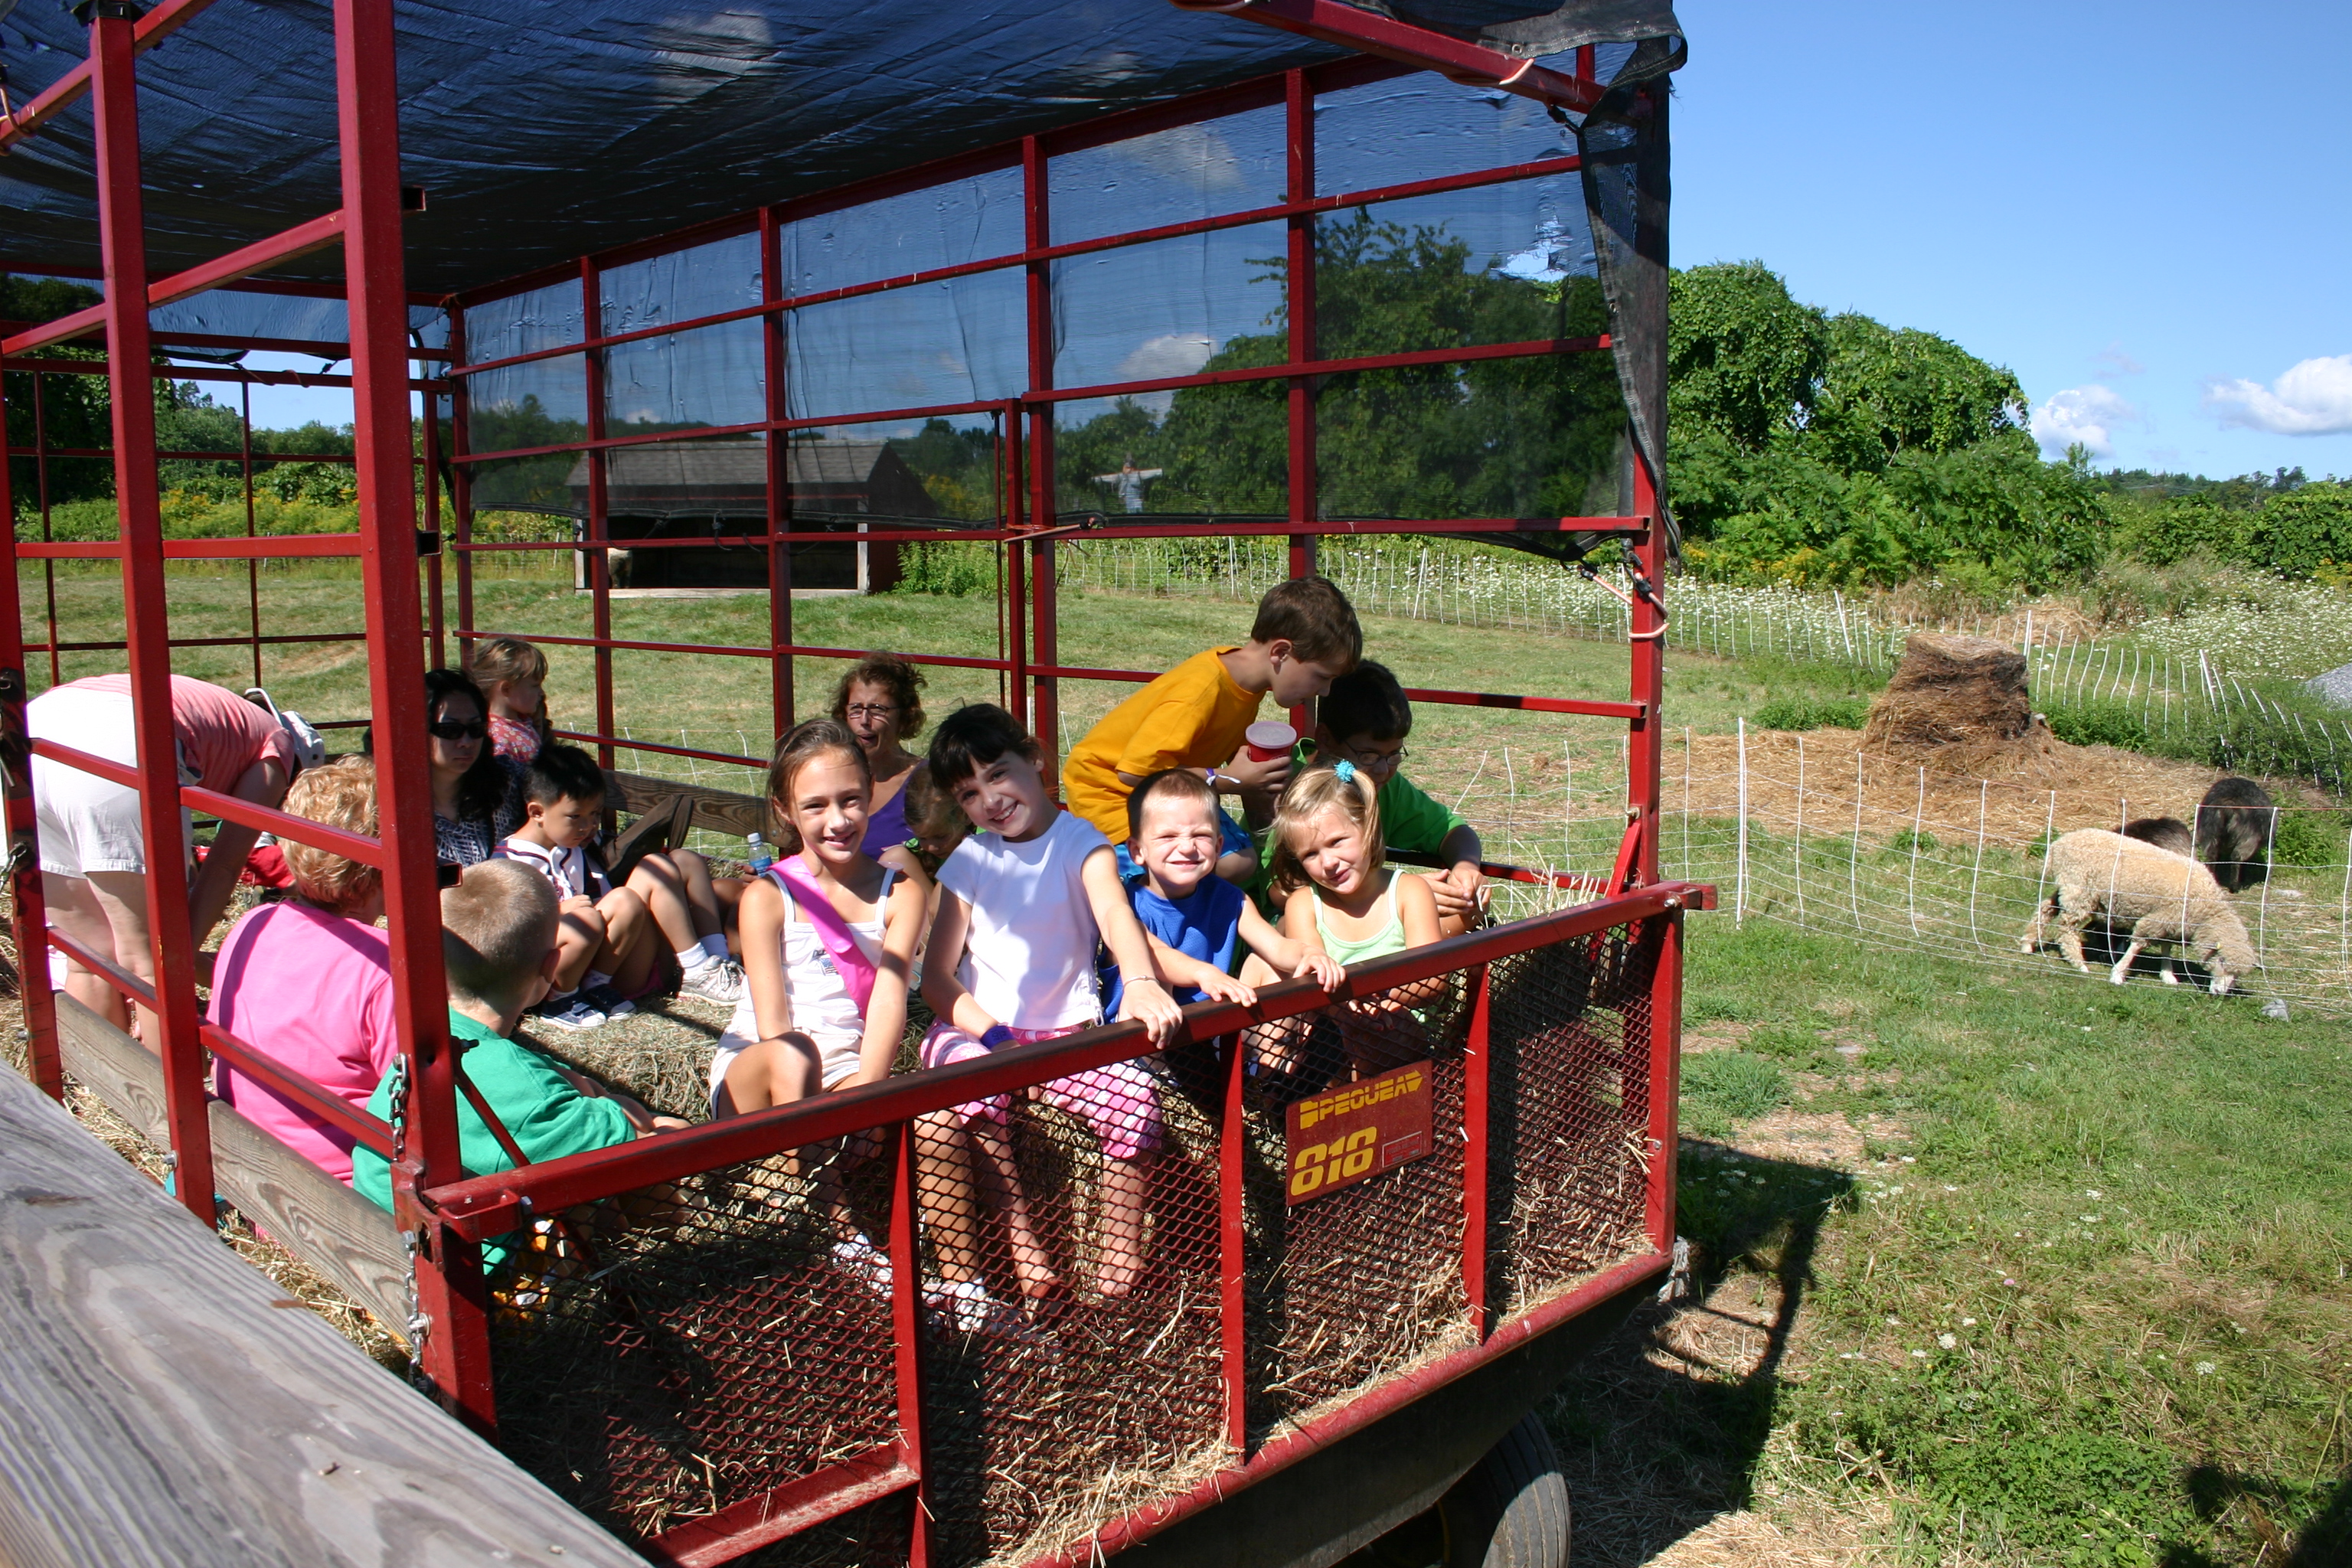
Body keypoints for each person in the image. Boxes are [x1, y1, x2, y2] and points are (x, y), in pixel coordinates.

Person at [918, 704, 1184, 1303]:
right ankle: (1021, 1241)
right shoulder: (971, 860)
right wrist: (993, 1039)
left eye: (998, 774)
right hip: (983, 1031)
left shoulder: (1079, 842)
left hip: (1067, 1034)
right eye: (968, 794)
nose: (989, 799)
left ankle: (1120, 1252)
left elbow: (1115, 913)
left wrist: (1139, 979)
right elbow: (936, 978)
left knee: (1134, 1100)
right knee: (975, 1094)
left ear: (1035, 758)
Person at [351, 859, 688, 1271]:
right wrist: (634, 1114)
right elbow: (629, 1145)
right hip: (468, 1279)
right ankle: (682, 1267)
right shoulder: (525, 1086)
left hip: (380, 1250)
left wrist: (587, 1091)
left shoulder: (424, 1043)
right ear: (551, 968)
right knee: (667, 1135)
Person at [31, 672, 301, 1041]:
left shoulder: (232, 721)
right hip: (121, 734)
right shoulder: (278, 747)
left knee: (88, 959)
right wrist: (179, 957)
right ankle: (166, 1094)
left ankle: (105, 1089)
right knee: (149, 962)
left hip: (36, 727)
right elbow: (223, 865)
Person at [1062, 575, 1361, 888]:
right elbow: (1134, 774)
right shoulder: (1201, 691)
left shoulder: (1244, 683)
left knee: (1241, 860)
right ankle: (1120, 888)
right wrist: (1232, 780)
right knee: (1228, 863)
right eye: (1321, 677)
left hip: (1167, 792)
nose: (1325, 691)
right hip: (1111, 797)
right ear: (1281, 653)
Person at [711, 719, 928, 1117]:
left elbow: (888, 999)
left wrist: (867, 1090)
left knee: (936, 1124)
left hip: (845, 1068)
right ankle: (807, 1174)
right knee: (794, 1055)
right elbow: (771, 1023)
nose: (838, 821)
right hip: (762, 1066)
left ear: (870, 793)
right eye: (815, 805)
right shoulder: (767, 897)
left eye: (850, 799)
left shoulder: (901, 895)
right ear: (785, 809)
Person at [207, 756, 392, 1184]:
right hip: (347, 1194)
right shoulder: (382, 964)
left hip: (249, 1173)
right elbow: (423, 1102)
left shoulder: (253, 924)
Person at [495, 743, 747, 1030]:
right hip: (592, 973)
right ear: (537, 812)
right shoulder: (509, 865)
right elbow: (510, 940)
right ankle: (696, 972)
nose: (588, 826)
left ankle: (716, 966)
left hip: (623, 953)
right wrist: (559, 913)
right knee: (651, 873)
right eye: (576, 816)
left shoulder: (573, 845)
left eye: (595, 814)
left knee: (687, 861)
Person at [1260, 661, 1486, 935]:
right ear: (1326, 739)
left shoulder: (1384, 786)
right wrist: (1398, 893)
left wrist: (1465, 869)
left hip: (1369, 909)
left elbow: (1452, 830)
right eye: (1368, 755)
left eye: (1394, 755)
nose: (1382, 769)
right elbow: (1280, 892)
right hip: (1300, 921)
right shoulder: (1296, 789)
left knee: (1473, 907)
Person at [1109, 767, 1341, 1016]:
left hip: (1212, 1017)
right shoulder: (1126, 905)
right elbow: (1156, 957)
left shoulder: (1231, 898)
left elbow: (1276, 946)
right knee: (1160, 982)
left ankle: (1267, 1055)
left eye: (1201, 835)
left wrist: (1308, 954)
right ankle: (1137, 1059)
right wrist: (1204, 973)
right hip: (1142, 1025)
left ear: (1219, 846)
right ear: (1137, 851)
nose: (1187, 847)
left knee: (1270, 966)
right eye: (1168, 836)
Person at [1267, 760, 1444, 1079]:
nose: (1329, 862)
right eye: (1310, 854)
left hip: (1401, 1028)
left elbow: (1432, 979)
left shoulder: (1408, 891)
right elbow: (1310, 982)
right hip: (1337, 1029)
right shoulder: (1304, 905)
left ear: (1368, 827)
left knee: (1390, 1032)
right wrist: (1350, 1011)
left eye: (1337, 842)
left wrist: (1376, 1001)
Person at [364, 668, 522, 869]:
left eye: (476, 729)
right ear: (415, 731)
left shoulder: (507, 782)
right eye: (450, 730)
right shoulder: (382, 805)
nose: (466, 742)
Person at [830, 655, 927, 861]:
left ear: (904, 717)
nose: (864, 720)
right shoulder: (831, 777)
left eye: (877, 709)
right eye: (855, 709)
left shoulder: (927, 782)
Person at [466, 635, 550, 765]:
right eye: (535, 686)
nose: (541, 692)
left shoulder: (521, 722)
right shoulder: (498, 739)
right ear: (506, 689)